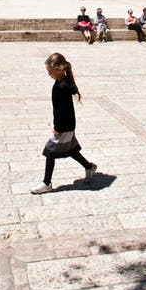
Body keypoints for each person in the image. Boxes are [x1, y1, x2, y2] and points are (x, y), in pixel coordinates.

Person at [31, 52, 97, 194]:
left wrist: (57, 127)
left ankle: (46, 183)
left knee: (50, 152)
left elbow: (62, 110)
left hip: (64, 126)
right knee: (71, 150)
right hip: (68, 124)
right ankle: (89, 167)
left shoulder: (62, 86)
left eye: (50, 71)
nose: (49, 74)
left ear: (59, 68)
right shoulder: (64, 82)